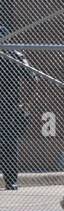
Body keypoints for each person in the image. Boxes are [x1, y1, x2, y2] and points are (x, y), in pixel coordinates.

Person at [0, 49, 32, 191]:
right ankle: (11, 181)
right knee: (9, 144)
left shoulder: (14, 55)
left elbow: (32, 79)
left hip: (9, 108)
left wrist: (26, 104)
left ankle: (11, 181)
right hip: (10, 107)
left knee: (9, 144)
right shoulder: (15, 54)